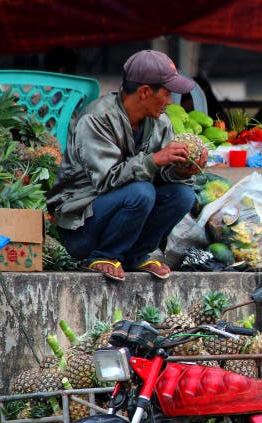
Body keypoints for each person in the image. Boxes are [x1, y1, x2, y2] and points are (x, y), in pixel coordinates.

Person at [46, 50, 205, 282]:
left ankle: (136, 255)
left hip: (124, 221)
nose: (171, 102)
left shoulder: (161, 122)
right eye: (167, 94)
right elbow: (106, 180)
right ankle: (103, 256)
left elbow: (163, 178)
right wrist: (155, 160)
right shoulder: (96, 119)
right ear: (145, 92)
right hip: (82, 227)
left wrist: (181, 171)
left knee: (183, 195)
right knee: (141, 192)